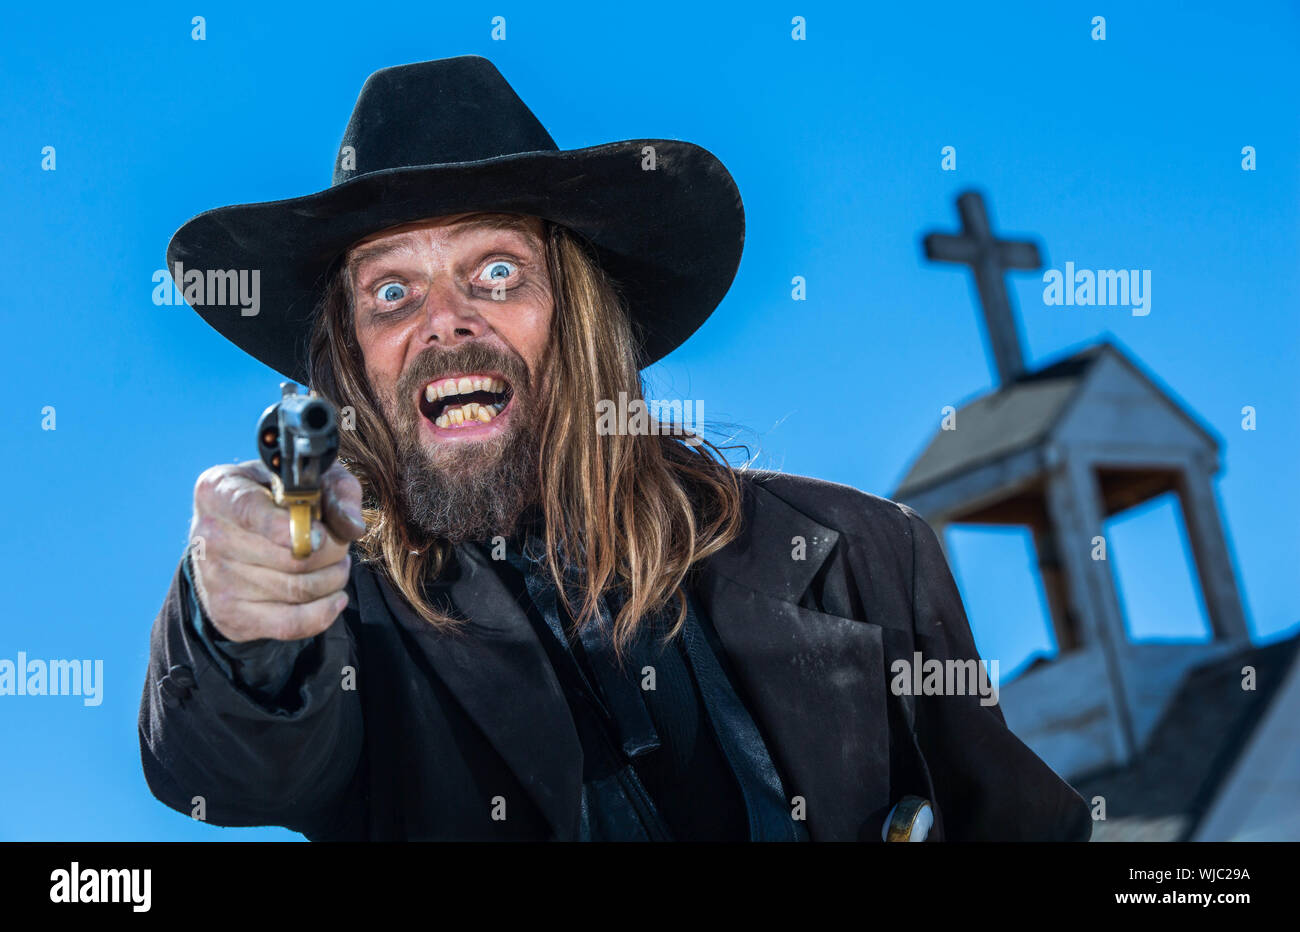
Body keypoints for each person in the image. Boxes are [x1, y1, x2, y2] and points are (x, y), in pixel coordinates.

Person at [139, 55, 1091, 842]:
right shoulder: (354, 628)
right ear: (353, 361)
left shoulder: (861, 555)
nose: (444, 323)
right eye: (391, 293)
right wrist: (235, 623)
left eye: (497, 270)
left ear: (580, 316)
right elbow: (226, 766)